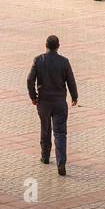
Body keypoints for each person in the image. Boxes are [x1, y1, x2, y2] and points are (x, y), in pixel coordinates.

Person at [27, 35, 78, 176]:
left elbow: (30, 80)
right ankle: (61, 163)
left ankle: (45, 157)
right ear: (58, 46)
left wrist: (33, 97)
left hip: (43, 102)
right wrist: (74, 96)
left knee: (45, 129)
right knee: (60, 133)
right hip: (60, 102)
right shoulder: (64, 61)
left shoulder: (38, 60)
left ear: (46, 45)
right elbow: (71, 80)